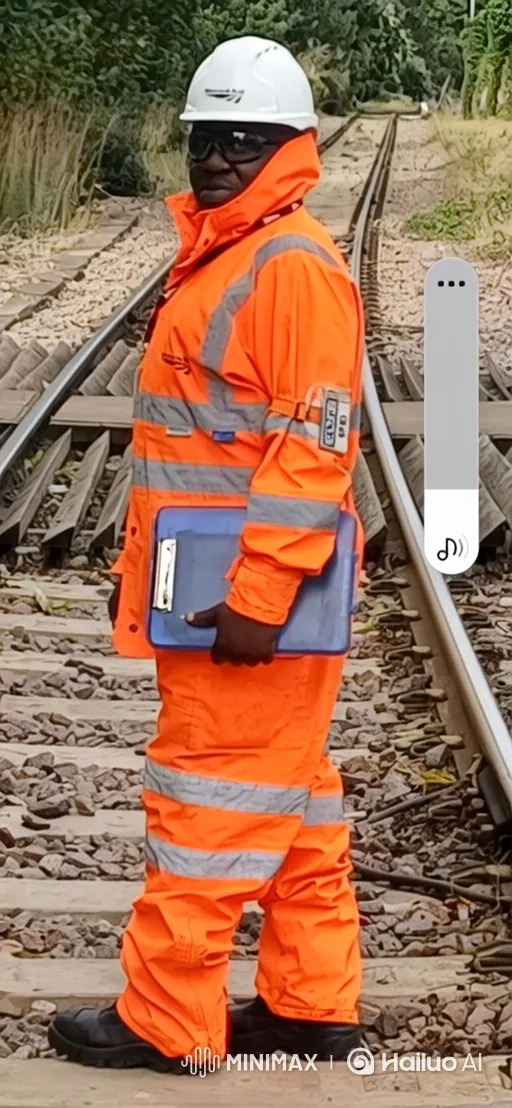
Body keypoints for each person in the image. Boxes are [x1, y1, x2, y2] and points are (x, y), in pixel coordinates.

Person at [49, 35, 365, 1073]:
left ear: (289, 146)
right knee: (295, 799)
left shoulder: (289, 268)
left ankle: (164, 1018)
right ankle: (310, 1003)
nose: (217, 157)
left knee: (207, 801)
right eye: (204, 138)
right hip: (216, 587)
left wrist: (261, 592)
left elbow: (313, 443)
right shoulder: (232, 251)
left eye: (243, 139)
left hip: (245, 599)